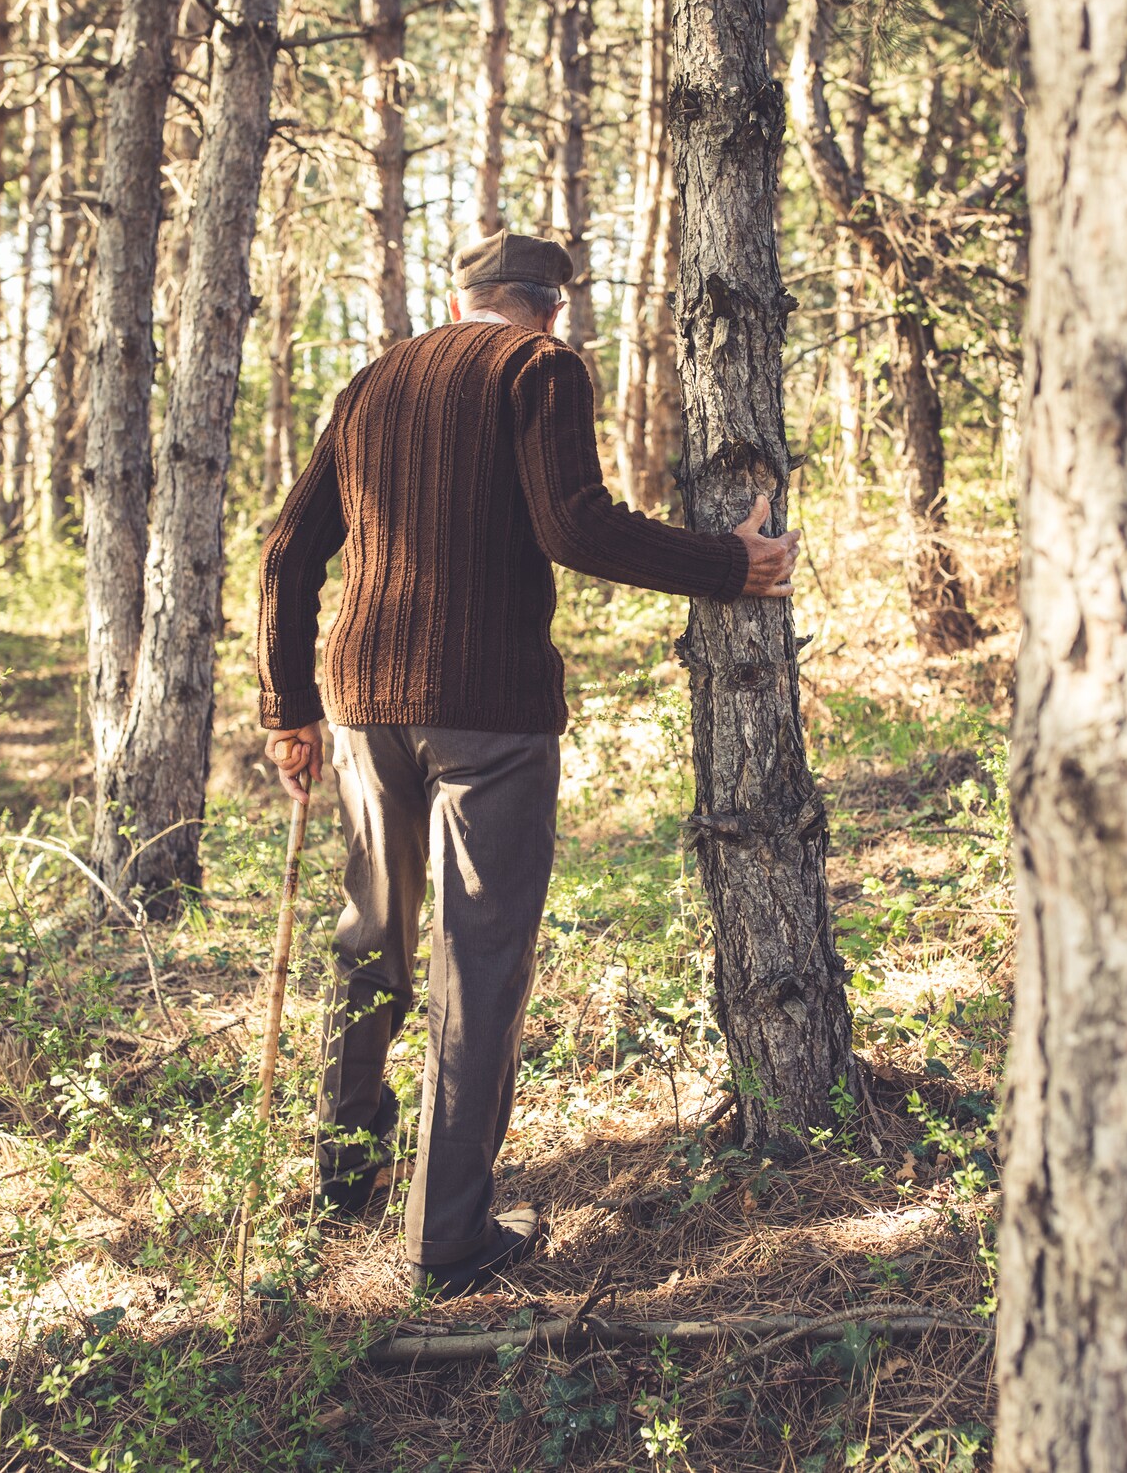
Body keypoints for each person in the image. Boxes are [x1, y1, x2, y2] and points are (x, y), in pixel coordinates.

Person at [255, 230, 800, 1296]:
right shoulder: (539, 368)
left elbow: (287, 550)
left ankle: (345, 1178)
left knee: (370, 938)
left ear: (463, 299)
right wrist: (727, 563)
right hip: (488, 713)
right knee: (479, 962)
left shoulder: (372, 383)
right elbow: (572, 526)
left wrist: (288, 707)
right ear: (550, 308)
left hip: (362, 708)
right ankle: (447, 1241)